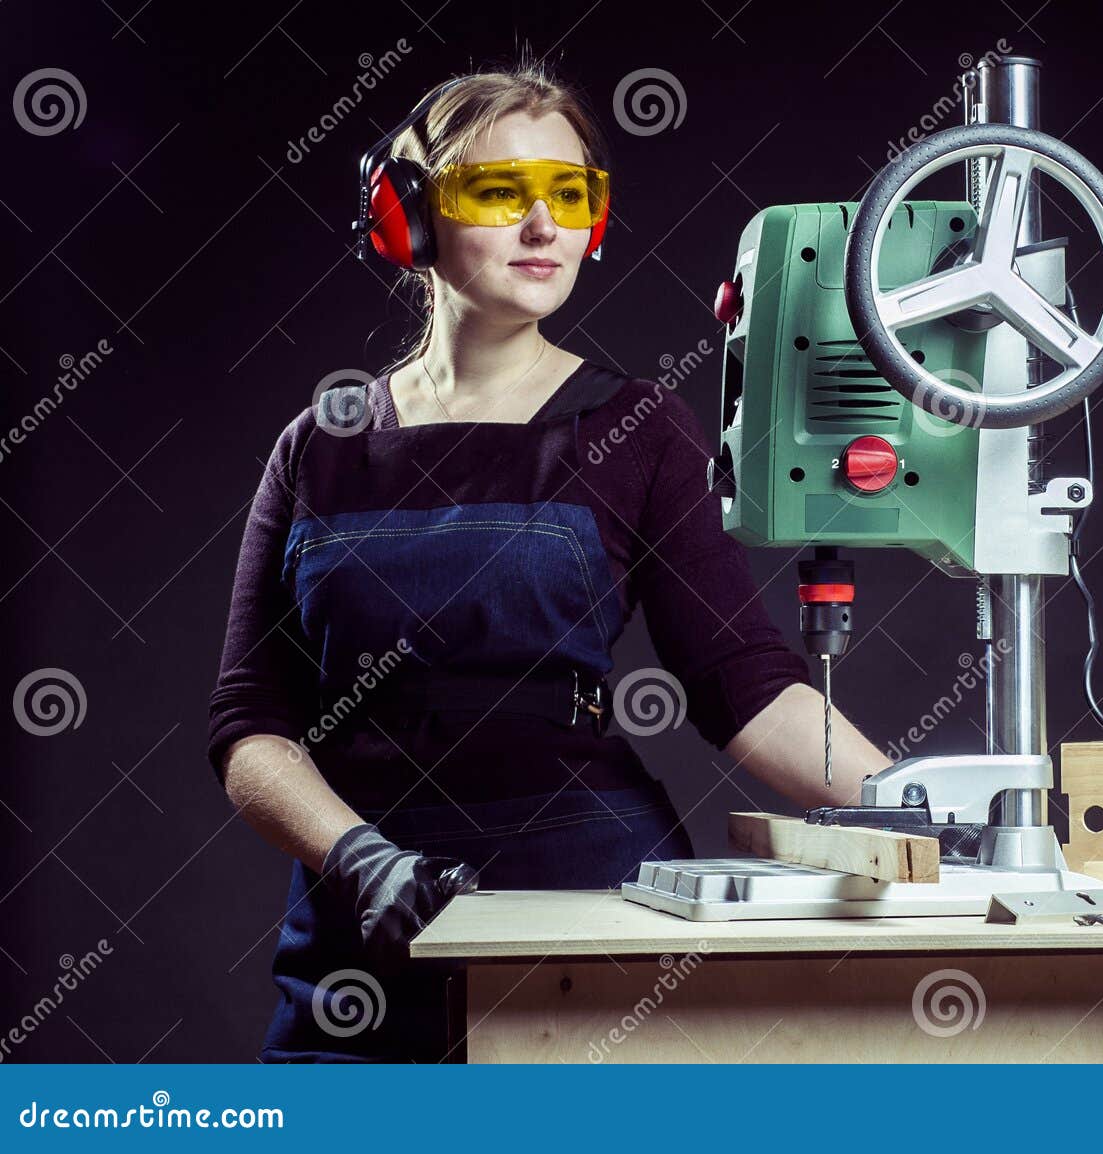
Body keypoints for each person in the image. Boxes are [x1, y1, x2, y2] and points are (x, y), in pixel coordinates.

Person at [206, 58, 889, 1063]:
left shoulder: (634, 427)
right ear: (407, 217)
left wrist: (920, 803)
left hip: (591, 919)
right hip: (361, 938)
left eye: (569, 195)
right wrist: (357, 856)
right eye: (499, 192)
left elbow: (744, 684)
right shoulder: (318, 445)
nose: (544, 227)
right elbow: (250, 724)